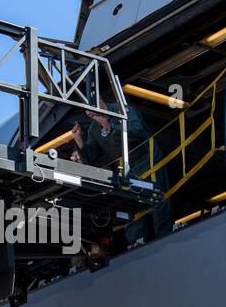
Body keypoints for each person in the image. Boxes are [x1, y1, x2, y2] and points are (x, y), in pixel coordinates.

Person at [70, 98, 173, 239]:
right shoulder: (94, 128)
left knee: (156, 194)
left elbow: (138, 130)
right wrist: (78, 139)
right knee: (129, 200)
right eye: (86, 111)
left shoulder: (124, 110)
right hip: (126, 165)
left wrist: (111, 127)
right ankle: (136, 241)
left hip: (146, 157)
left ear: (101, 102)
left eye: (91, 109)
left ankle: (165, 234)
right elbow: (91, 156)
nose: (89, 114)